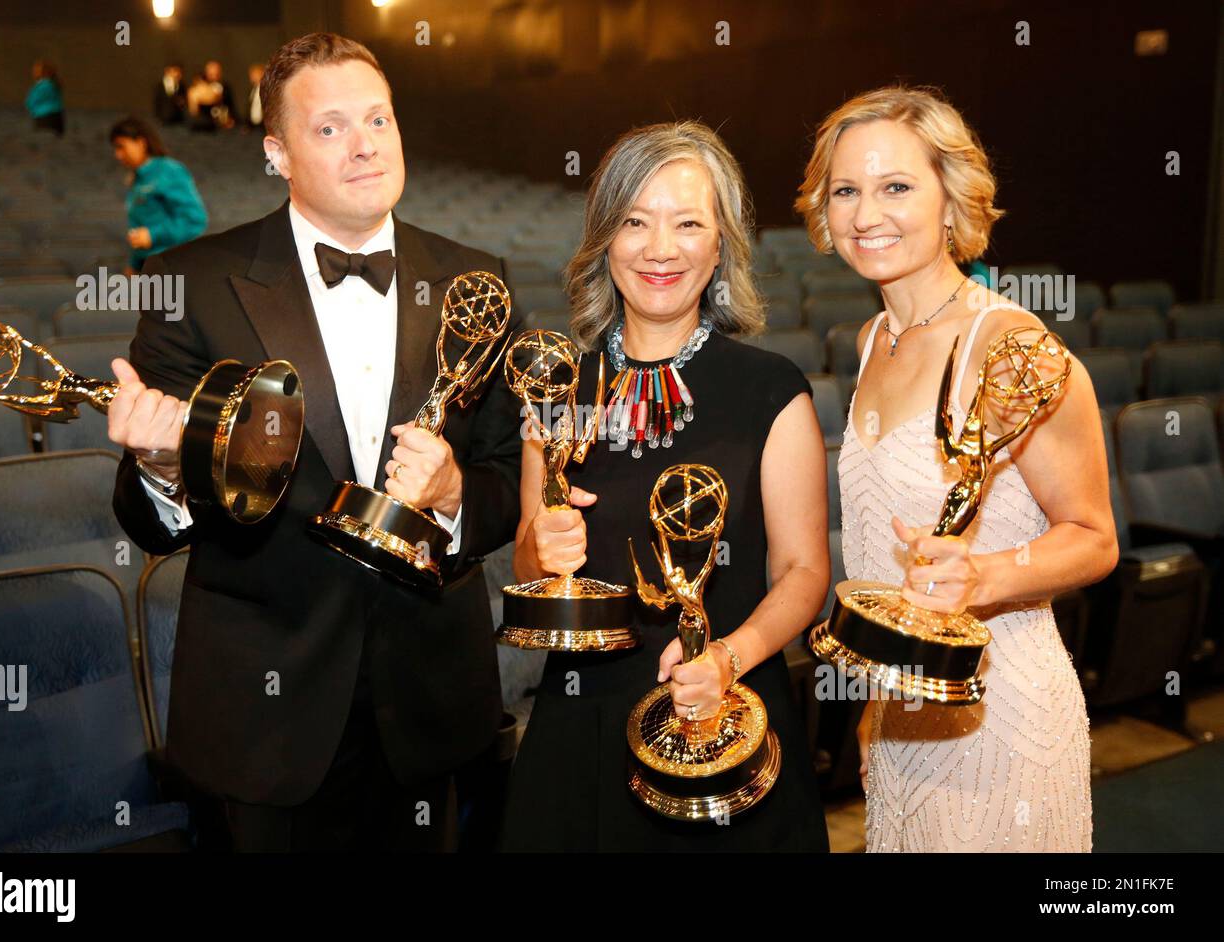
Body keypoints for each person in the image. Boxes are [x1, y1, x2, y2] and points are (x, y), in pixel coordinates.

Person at [106, 32, 521, 852]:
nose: (366, 145)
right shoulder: (192, 283)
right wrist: (162, 467)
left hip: (432, 701)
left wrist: (454, 498)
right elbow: (147, 522)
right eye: (330, 128)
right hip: (265, 717)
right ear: (277, 153)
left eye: (379, 119)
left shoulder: (480, 280)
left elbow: (507, 478)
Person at [795, 86, 1117, 851]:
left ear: (951, 200)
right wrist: (879, 710)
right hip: (906, 709)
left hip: (1001, 718)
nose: (867, 214)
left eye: (897, 187)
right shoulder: (875, 339)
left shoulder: (1008, 345)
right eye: (847, 190)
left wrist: (984, 577)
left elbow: (1095, 537)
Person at [499, 121, 831, 852]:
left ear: (720, 245)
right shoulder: (558, 390)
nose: (659, 248)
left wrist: (727, 659)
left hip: (726, 711)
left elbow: (805, 573)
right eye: (635, 222)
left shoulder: (770, 390)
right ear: (604, 239)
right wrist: (539, 545)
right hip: (580, 721)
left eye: (687, 223)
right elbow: (528, 572)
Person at [109, 117, 208, 274]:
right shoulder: (137, 178)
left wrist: (153, 235)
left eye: (121, 147)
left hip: (171, 266)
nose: (118, 155)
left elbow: (194, 220)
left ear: (141, 143)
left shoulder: (168, 171)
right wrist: (134, 265)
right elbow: (140, 227)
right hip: (147, 265)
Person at [187, 59, 236, 131]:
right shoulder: (200, 88)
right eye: (211, 74)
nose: (214, 76)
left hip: (222, 123)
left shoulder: (225, 87)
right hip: (205, 122)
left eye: (217, 73)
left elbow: (229, 105)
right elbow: (194, 109)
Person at [25, 60, 63, 136]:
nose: (33, 72)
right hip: (56, 118)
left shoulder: (42, 86)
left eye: (36, 70)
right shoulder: (54, 85)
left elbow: (30, 102)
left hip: (43, 119)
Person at [245, 63, 266, 130]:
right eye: (251, 75)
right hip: (253, 126)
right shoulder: (252, 90)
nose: (252, 77)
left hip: (263, 127)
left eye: (254, 74)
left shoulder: (267, 90)